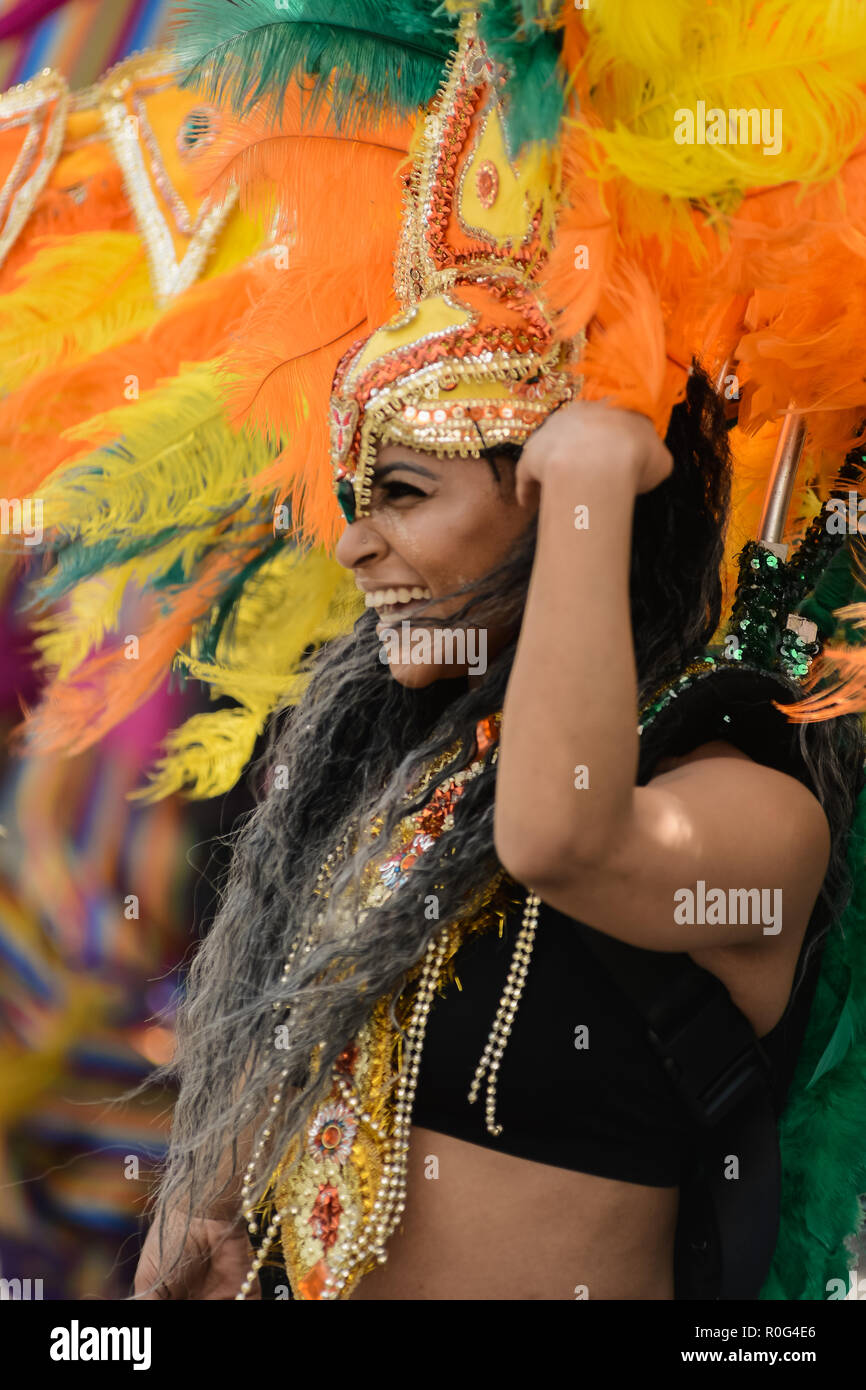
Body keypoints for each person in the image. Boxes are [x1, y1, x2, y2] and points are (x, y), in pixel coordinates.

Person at [129, 11, 866, 1301]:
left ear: (564, 493)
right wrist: (215, 1179)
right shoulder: (419, 785)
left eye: (405, 492)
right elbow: (325, 1022)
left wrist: (591, 470)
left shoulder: (749, 818)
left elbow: (565, 843)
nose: (354, 547)